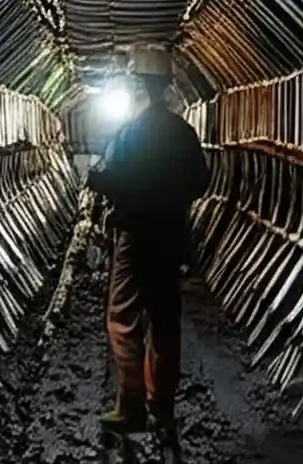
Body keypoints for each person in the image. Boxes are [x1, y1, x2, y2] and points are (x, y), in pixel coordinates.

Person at [86, 45, 211, 436]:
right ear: (168, 87)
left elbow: (111, 178)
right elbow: (200, 182)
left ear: (139, 85)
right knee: (165, 320)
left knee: (123, 319)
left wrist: (98, 180)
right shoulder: (183, 131)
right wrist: (170, 200)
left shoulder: (130, 133)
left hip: (135, 235)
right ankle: (163, 406)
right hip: (170, 235)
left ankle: (131, 405)